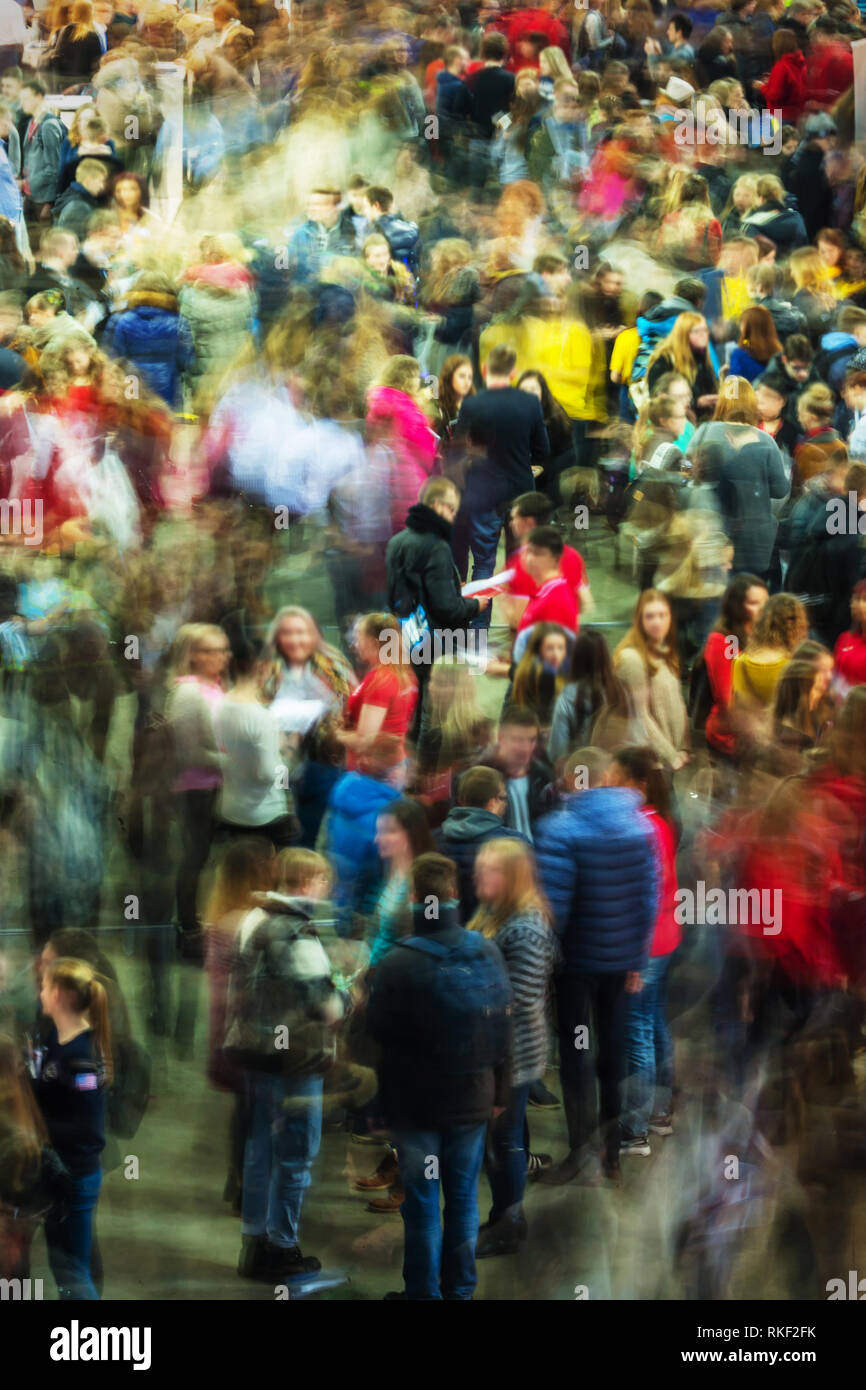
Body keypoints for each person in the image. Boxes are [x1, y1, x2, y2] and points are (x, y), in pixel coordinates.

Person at [365, 852, 513, 1301]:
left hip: (416, 1107)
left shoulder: (396, 964)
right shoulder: (486, 950)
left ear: (413, 897)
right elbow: (505, 1025)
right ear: (453, 894)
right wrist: (501, 1092)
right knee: (464, 1199)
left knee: (423, 1204)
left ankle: (422, 1294)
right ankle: (460, 1291)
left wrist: (381, 1108)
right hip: (473, 1097)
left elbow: (378, 1041)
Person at [534, 747, 659, 1185]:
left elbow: (555, 910)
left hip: (576, 970)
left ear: (570, 779)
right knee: (613, 1054)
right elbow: (649, 898)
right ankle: (612, 1156)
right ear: (607, 776)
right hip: (620, 965)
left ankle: (580, 1151)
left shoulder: (559, 830)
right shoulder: (640, 827)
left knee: (576, 1055)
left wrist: (547, 964)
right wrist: (638, 959)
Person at [225, 847, 345, 1282]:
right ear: (307, 883)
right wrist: (351, 992)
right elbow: (326, 1006)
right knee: (296, 1153)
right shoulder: (299, 932)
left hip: (254, 1054)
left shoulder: (251, 920)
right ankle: (283, 1245)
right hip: (295, 1061)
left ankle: (253, 1244)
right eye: (323, 883)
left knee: (259, 1150)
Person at [469, 838, 557, 1256]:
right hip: (496, 1050)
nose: (478, 876)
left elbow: (516, 998)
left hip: (512, 1054)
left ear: (512, 877)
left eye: (489, 870)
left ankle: (508, 1222)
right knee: (508, 1137)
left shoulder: (525, 927)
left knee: (503, 1143)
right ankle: (505, 1216)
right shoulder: (494, 911)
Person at [608, 746, 680, 1154]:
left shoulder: (640, 826)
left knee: (636, 1030)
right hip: (666, 937)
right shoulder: (661, 822)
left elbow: (644, 894)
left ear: (637, 784)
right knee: (654, 1022)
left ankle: (634, 1130)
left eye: (616, 777)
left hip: (646, 943)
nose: (609, 784)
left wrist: (633, 955)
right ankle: (659, 1112)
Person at [34, 956, 112, 1300]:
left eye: (45, 987)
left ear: (61, 996)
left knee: (75, 1272)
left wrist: (39, 1129)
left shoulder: (81, 1057)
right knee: (62, 1265)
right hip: (58, 1173)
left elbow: (86, 1128)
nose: (40, 994)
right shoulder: (57, 1038)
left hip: (75, 1176)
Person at [385, 477, 488, 733]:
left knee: (415, 704)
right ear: (438, 505)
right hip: (438, 644)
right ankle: (432, 764)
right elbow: (446, 608)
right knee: (437, 716)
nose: (453, 518)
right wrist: (475, 606)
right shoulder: (437, 547)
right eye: (452, 510)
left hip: (407, 637)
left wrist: (452, 587)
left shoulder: (396, 541)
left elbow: (402, 593)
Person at [451, 343, 550, 604]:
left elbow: (457, 451)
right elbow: (543, 449)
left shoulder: (472, 404)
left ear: (484, 370)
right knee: (520, 565)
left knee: (483, 566)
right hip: (521, 493)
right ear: (513, 373)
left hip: (483, 494)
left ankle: (479, 635)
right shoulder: (529, 403)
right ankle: (520, 630)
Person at [164, 622, 229, 956]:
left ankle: (200, 923)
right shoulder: (189, 693)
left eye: (221, 649)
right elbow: (191, 753)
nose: (218, 657)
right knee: (194, 857)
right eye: (208, 650)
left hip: (214, 784)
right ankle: (188, 927)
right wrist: (238, 763)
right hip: (195, 788)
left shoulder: (213, 687)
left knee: (203, 857)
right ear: (191, 655)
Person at [213, 638, 297, 850]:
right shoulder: (261, 717)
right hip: (263, 816)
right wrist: (289, 753)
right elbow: (268, 774)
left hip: (231, 809)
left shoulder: (222, 703)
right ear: (262, 666)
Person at [436, 765, 527, 921]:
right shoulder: (514, 844)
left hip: (447, 935)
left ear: (461, 800)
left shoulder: (435, 839)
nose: (505, 804)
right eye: (503, 798)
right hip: (496, 936)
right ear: (492, 802)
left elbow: (430, 903)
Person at [613, 590, 689, 772]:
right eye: (650, 616)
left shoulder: (665, 649)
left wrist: (684, 747)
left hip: (671, 757)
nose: (657, 622)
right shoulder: (632, 658)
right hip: (650, 762)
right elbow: (640, 717)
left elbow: (678, 702)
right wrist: (670, 755)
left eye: (663, 615)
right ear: (640, 620)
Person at [338, 614, 418, 781]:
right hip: (389, 767)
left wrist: (334, 734)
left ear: (374, 642)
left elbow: (364, 740)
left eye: (359, 636)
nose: (355, 644)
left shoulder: (381, 680)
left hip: (375, 773)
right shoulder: (403, 674)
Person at [101, 269, 195, 410]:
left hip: (132, 388)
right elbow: (187, 361)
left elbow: (112, 358)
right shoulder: (178, 322)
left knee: (133, 425)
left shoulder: (120, 320)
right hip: (168, 390)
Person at [698, 573, 768, 760]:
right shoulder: (727, 640)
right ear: (737, 607)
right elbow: (727, 698)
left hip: (756, 735)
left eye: (765, 602)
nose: (762, 609)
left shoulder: (764, 635)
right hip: (729, 738)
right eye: (754, 603)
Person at [549, 626, 633, 766]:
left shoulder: (567, 696)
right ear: (606, 656)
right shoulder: (621, 692)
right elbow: (633, 736)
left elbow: (558, 750)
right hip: (616, 770)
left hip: (581, 771)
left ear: (576, 658)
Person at [368, 799, 435, 970]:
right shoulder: (391, 870)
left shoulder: (429, 881)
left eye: (388, 831)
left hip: (405, 976)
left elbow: (432, 934)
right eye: (378, 831)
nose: (377, 839)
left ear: (411, 834)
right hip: (382, 970)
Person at [480, 704, 555, 841]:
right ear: (500, 738)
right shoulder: (480, 778)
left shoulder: (543, 775)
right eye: (518, 740)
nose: (526, 748)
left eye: (532, 740)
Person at [513, 526, 578, 661]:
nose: (530, 558)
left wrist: (503, 670)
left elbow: (552, 663)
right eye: (528, 551)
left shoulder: (554, 601)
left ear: (555, 558)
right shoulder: (543, 593)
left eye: (538, 553)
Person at [50, 1, 104, 86]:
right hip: (84, 82)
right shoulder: (93, 36)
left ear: (74, 12)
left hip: (62, 80)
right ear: (90, 13)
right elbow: (97, 62)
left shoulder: (61, 32)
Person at [833, 581, 866, 695]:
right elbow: (835, 675)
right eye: (855, 599)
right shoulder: (844, 638)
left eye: (864, 600)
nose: (856, 605)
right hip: (842, 707)